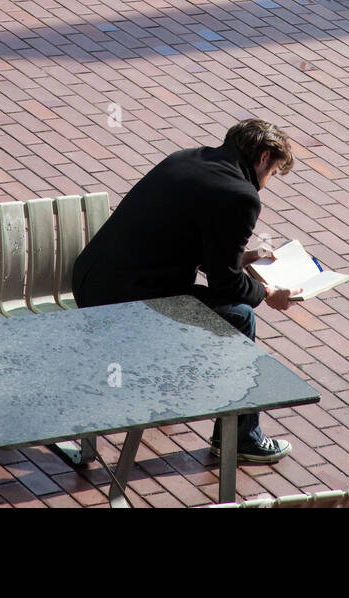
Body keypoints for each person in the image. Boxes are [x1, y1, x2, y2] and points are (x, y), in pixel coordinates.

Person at [72, 118, 298, 464]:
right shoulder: (241, 195)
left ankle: (229, 426)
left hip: (93, 280)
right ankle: (240, 438)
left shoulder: (186, 158)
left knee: (228, 312)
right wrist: (268, 293)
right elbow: (226, 285)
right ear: (265, 157)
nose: (267, 183)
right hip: (128, 302)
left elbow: (183, 239)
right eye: (274, 172)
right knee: (240, 317)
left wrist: (241, 258)